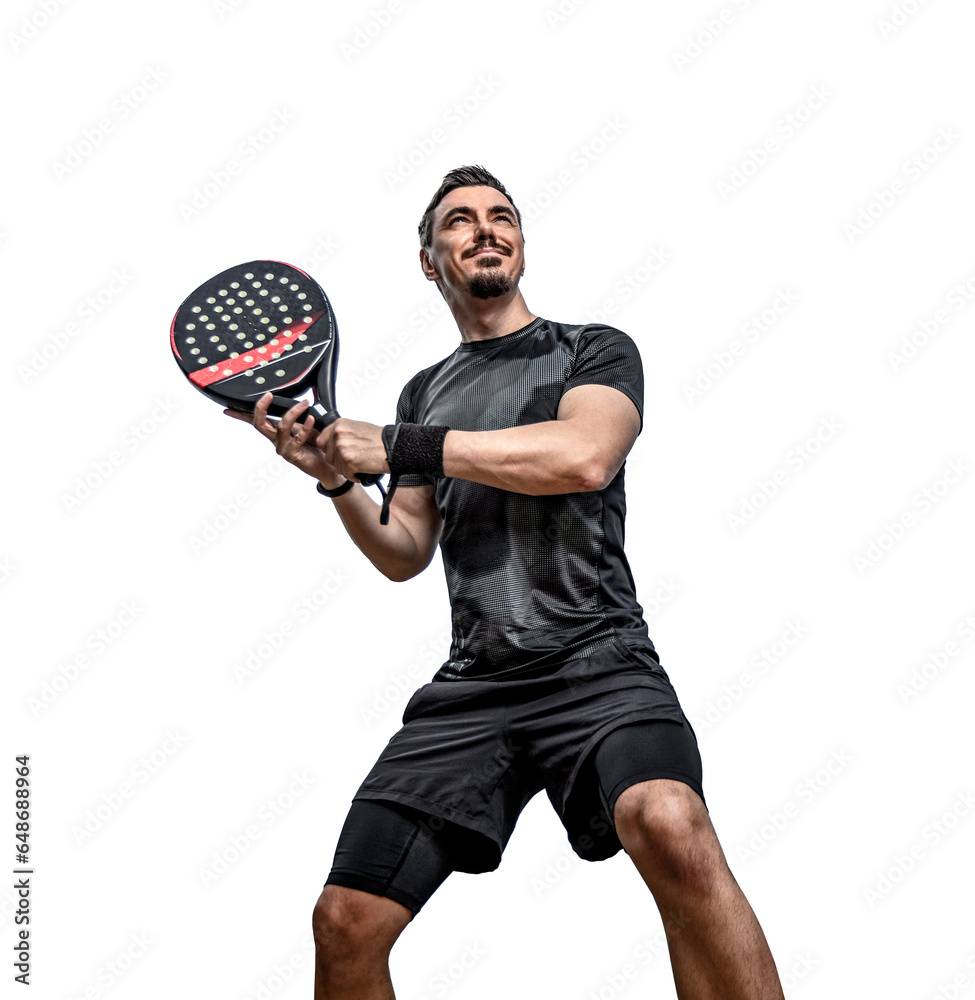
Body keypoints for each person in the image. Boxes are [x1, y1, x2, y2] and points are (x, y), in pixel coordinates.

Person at [229, 166, 786, 1000]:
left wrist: (399, 446)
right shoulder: (424, 392)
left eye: (501, 217)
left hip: (598, 663)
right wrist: (337, 479)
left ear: (520, 243)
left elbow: (583, 457)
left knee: (667, 819)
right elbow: (404, 548)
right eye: (459, 221)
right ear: (430, 261)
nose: (485, 229)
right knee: (344, 920)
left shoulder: (591, 349)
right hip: (474, 687)